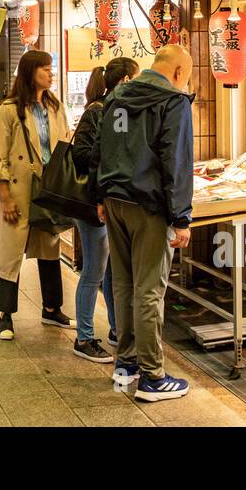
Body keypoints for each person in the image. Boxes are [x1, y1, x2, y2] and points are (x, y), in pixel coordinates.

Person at [98, 44, 195, 401]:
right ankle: (153, 377)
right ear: (179, 72)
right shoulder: (173, 102)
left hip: (114, 200)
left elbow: (103, 147)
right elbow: (177, 162)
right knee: (150, 290)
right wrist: (181, 217)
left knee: (123, 284)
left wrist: (100, 195)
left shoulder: (118, 94)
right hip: (149, 207)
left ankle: (125, 364)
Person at [0, 49, 72, 340]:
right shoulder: (9, 110)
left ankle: (52, 309)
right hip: (18, 189)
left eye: (52, 68)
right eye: (45, 69)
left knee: (50, 248)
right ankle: (5, 315)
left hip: (47, 188)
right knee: (11, 253)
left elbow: (65, 143)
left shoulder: (55, 106)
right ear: (29, 72)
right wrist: (5, 197)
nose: (51, 73)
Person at [69, 57, 140, 363]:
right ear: (124, 81)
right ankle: (83, 338)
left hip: (111, 201)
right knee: (93, 272)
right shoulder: (97, 111)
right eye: (135, 79)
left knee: (113, 272)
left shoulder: (119, 110)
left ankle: (116, 329)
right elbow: (82, 155)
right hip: (92, 204)